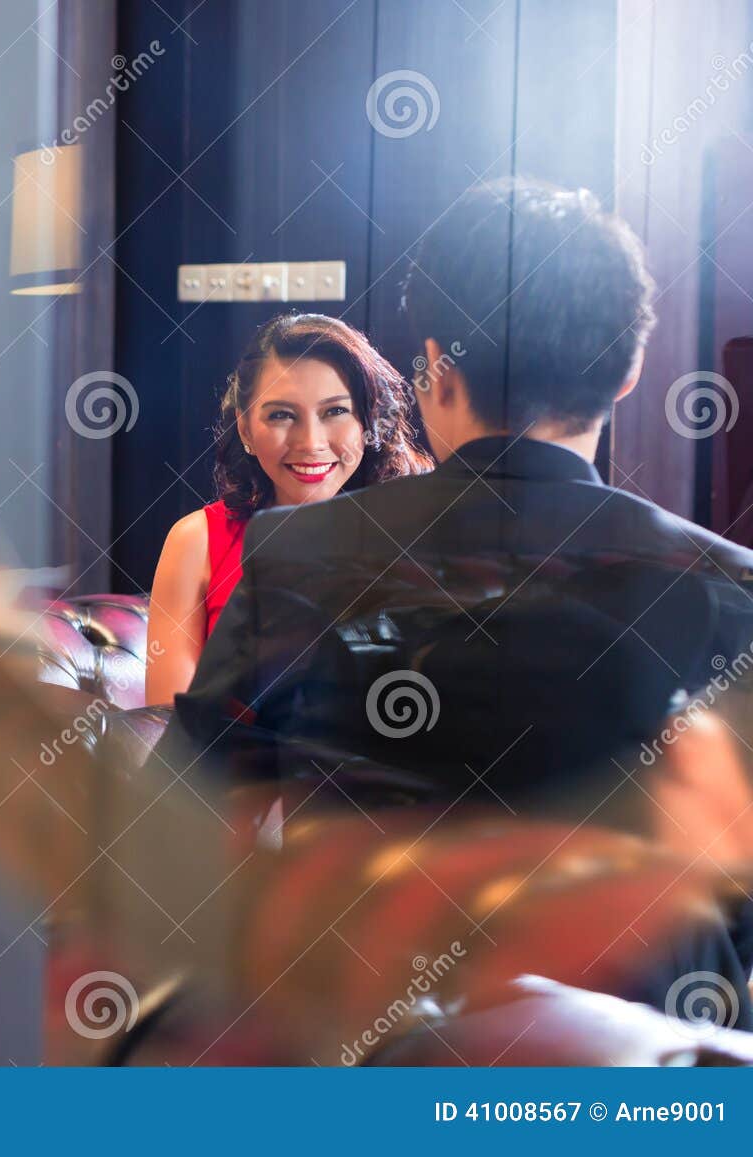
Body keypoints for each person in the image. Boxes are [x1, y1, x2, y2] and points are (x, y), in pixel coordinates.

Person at [152, 177, 753, 1026]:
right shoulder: (729, 589)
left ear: (432, 369)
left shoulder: (301, 554)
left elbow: (174, 829)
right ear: (627, 373)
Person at [144, 314, 429, 705]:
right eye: (281, 415)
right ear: (245, 429)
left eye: (335, 412)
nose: (310, 442)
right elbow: (165, 725)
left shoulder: (417, 533)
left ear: (368, 419)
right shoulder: (197, 541)